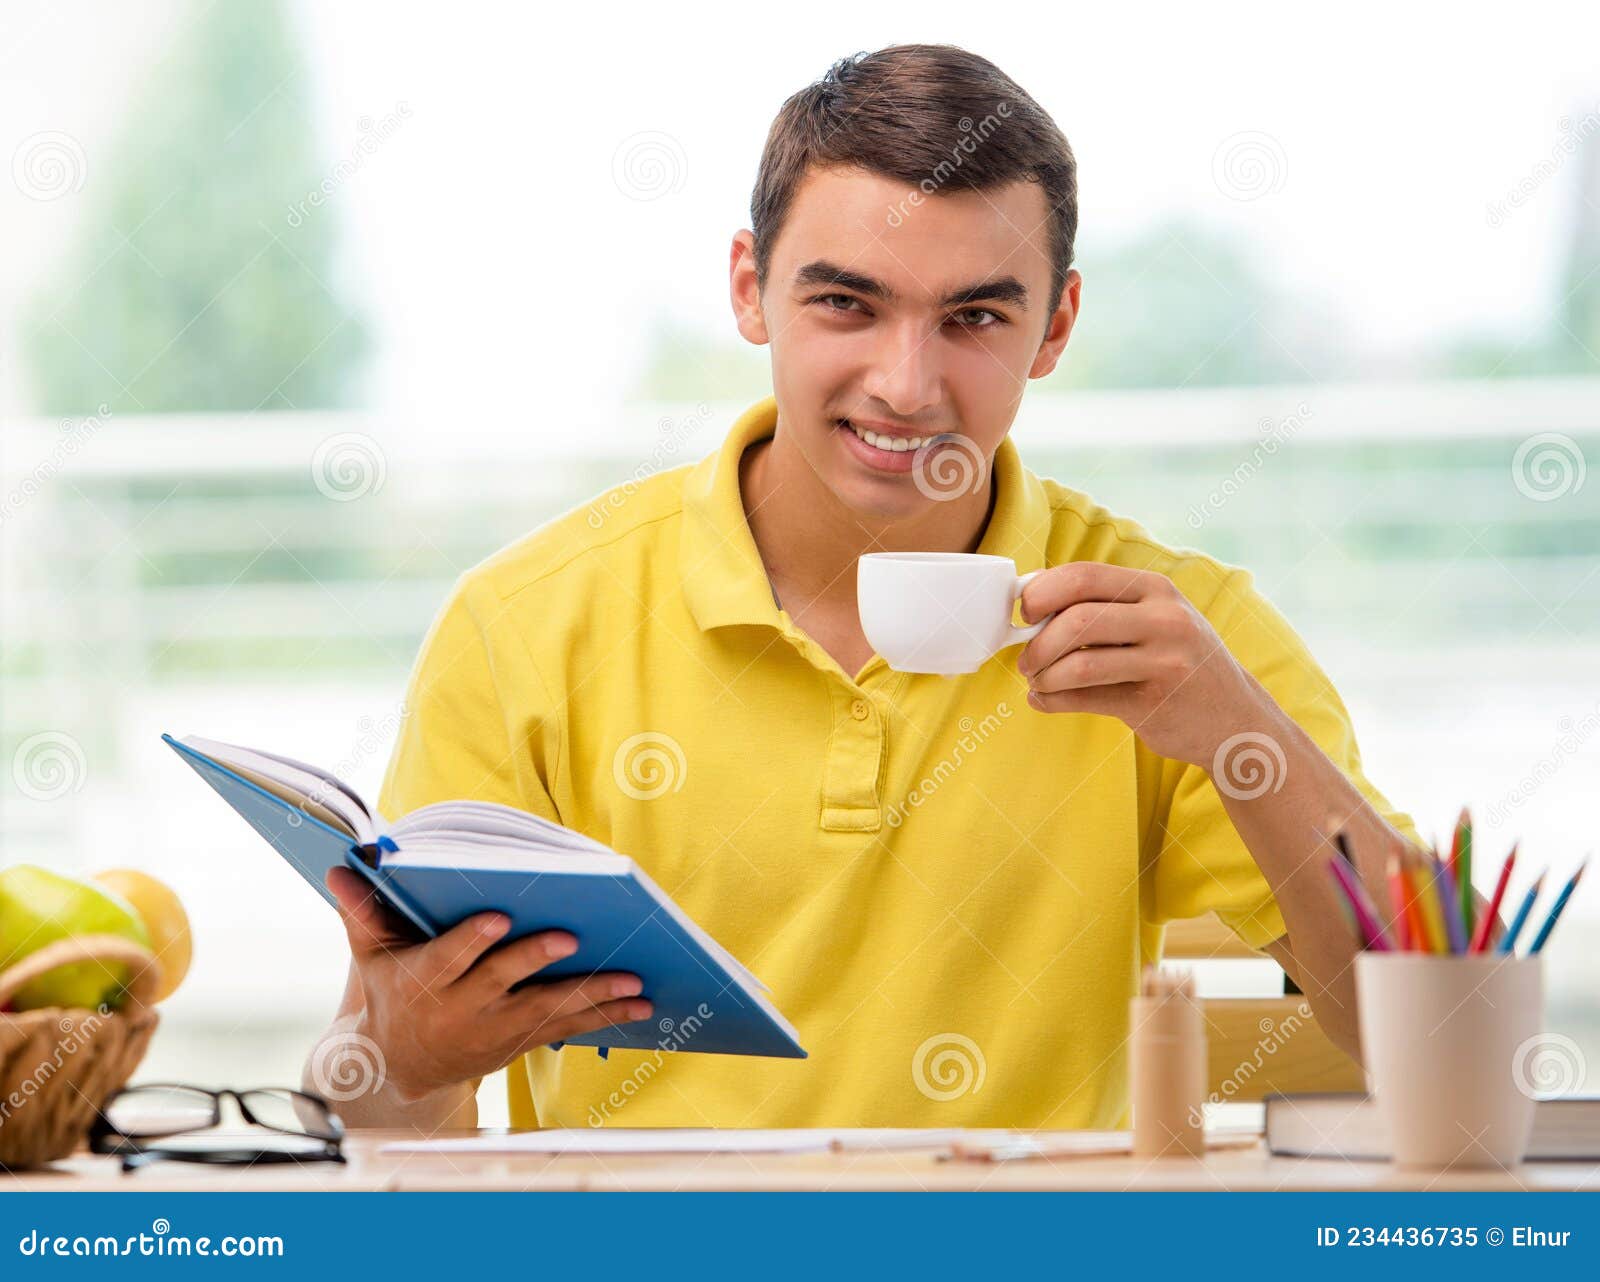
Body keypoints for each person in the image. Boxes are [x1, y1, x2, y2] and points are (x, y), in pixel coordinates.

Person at [307, 43, 1425, 1132]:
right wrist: (406, 1060)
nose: (905, 385)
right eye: (847, 303)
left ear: (1055, 327)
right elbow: (377, 1114)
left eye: (974, 317)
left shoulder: (1175, 634)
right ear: (749, 289)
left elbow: (1432, 1036)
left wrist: (1236, 731)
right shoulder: (524, 626)